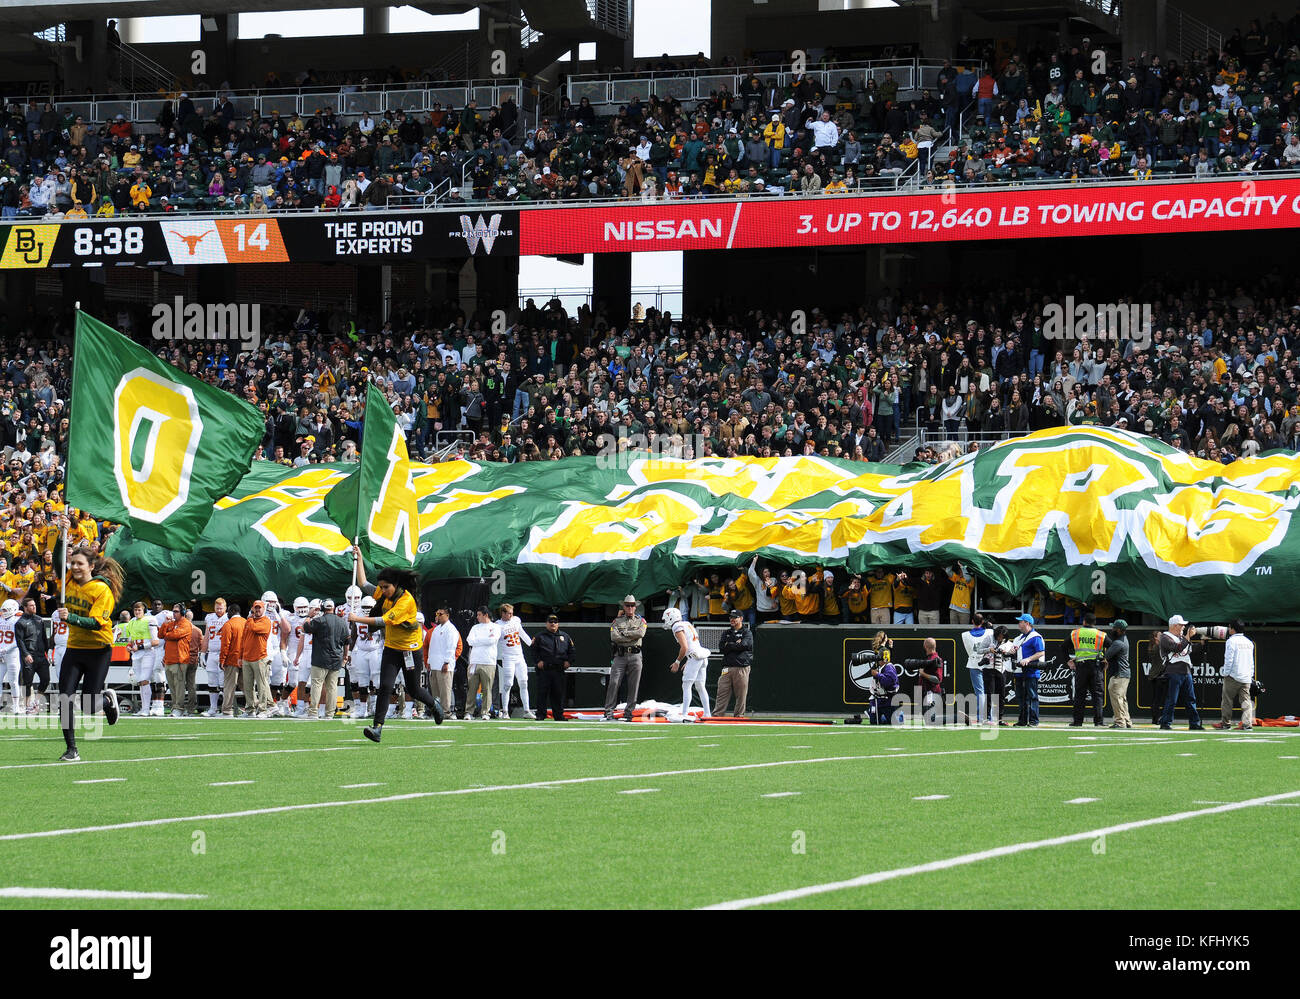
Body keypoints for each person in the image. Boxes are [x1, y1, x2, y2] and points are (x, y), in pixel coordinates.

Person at [349, 546, 444, 741]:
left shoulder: (406, 601)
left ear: (396, 585)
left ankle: (434, 705)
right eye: (381, 587)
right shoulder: (386, 594)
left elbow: (384, 621)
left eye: (386, 587)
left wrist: (356, 618)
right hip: (392, 648)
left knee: (414, 689)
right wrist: (358, 558)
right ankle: (377, 728)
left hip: (410, 651)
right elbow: (363, 583)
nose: (382, 591)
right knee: (385, 686)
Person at [56, 546, 124, 761]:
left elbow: (95, 623)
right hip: (75, 648)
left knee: (88, 706)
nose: (74, 567)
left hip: (98, 651)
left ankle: (108, 700)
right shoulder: (68, 582)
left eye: (80, 564)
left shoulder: (102, 590)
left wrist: (71, 618)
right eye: (73, 563)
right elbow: (58, 563)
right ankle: (71, 749)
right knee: (65, 699)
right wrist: (61, 534)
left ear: (91, 567)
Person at [303, 596, 349, 719]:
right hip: (336, 658)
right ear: (333, 608)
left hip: (320, 658)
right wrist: (345, 656)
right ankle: (329, 713)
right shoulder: (342, 622)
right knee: (332, 687)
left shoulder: (319, 621)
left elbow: (305, 628)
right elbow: (347, 641)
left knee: (316, 684)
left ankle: (313, 711)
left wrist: (309, 616)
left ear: (323, 608)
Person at [1158, 614, 1204, 730]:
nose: (1184, 627)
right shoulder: (1165, 637)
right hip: (1173, 671)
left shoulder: (1181, 637)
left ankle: (1194, 723)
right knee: (1172, 699)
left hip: (1186, 671)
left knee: (1191, 699)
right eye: (1182, 625)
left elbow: (1190, 649)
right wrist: (1188, 637)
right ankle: (1165, 723)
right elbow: (1177, 648)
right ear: (1174, 626)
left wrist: (1203, 643)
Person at [664, 606, 710, 722]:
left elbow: (684, 647)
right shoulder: (686, 623)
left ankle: (684, 713)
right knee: (700, 686)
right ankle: (708, 713)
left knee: (686, 685)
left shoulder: (677, 626)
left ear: (671, 617)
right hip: (700, 656)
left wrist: (677, 662)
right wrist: (689, 660)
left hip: (695, 657)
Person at [606, 594, 646, 721]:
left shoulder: (641, 621)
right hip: (620, 655)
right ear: (624, 606)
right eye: (627, 605)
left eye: (632, 605)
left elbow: (641, 633)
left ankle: (629, 712)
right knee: (614, 682)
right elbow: (614, 636)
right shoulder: (617, 621)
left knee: (634, 684)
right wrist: (631, 636)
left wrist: (625, 633)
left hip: (635, 654)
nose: (630, 607)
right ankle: (608, 711)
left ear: (635, 607)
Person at [495, 603, 533, 720]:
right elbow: (494, 641)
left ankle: (527, 710)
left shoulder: (516, 620)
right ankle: (505, 711)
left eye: (512, 613)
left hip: (519, 656)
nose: (511, 615)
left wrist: (531, 643)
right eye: (508, 613)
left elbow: (521, 633)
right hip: (508, 657)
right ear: (503, 613)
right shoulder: (497, 625)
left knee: (524, 682)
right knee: (508, 684)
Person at [533, 613, 574, 721]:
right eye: (550, 622)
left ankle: (559, 715)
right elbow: (533, 650)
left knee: (558, 694)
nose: (553, 624)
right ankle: (541, 715)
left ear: (558, 624)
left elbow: (571, 651)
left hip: (559, 670)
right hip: (545, 670)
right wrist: (538, 661)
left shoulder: (565, 636)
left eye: (555, 622)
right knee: (542, 693)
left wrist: (569, 661)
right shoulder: (540, 636)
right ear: (546, 623)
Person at [1215, 619, 1255, 731]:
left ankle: (1226, 723)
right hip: (1246, 676)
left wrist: (1226, 673)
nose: (1228, 629)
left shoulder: (1231, 641)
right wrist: (1250, 674)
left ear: (1232, 629)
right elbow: (1251, 661)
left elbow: (1229, 659)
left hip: (1233, 676)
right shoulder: (1249, 642)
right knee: (1246, 701)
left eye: (1229, 627)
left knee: (1227, 700)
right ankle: (1247, 724)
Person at [1069, 611, 1107, 727]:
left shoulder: (1076, 633)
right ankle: (1099, 722)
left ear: (1083, 621)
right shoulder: (1101, 635)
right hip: (1096, 667)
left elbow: (1064, 647)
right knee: (1097, 696)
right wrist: (1105, 659)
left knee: (1080, 695)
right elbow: (1111, 646)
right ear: (1094, 623)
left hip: (1081, 667)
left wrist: (1068, 660)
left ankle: (1077, 722)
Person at [347, 595, 382, 718]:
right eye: (365, 607)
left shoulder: (379, 615)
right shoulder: (357, 615)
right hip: (361, 650)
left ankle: (378, 708)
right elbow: (354, 635)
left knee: (377, 681)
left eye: (369, 607)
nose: (367, 609)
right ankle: (362, 709)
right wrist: (350, 652)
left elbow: (385, 634)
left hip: (375, 650)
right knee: (362, 681)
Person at [122, 600, 159, 716]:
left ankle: (146, 709)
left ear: (144, 611)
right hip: (136, 654)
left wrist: (141, 646)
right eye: (135, 610)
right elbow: (131, 639)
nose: (137, 612)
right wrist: (129, 646)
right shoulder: (132, 621)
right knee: (139, 681)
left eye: (139, 610)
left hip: (148, 653)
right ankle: (144, 708)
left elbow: (155, 641)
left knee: (144, 680)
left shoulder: (150, 620)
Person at [714, 608, 753, 717]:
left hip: (741, 667)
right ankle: (717, 715)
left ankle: (739, 716)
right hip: (727, 667)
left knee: (741, 695)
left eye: (735, 617)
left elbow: (744, 645)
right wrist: (735, 644)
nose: (732, 619)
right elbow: (722, 648)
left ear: (741, 618)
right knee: (721, 692)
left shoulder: (747, 632)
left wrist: (730, 645)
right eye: (731, 617)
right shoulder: (726, 632)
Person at [240, 598, 275, 718]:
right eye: (256, 608)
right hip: (247, 657)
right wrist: (241, 655)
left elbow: (255, 628)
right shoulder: (249, 621)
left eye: (259, 608)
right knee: (248, 686)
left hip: (260, 657)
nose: (257, 610)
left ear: (263, 609)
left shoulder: (265, 621)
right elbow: (243, 639)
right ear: (253, 608)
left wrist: (249, 619)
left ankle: (263, 709)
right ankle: (250, 709)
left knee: (262, 685)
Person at [464, 606, 500, 720]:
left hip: (488, 662)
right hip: (474, 661)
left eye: (479, 615)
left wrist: (477, 641)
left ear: (485, 615)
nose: (477, 617)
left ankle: (485, 712)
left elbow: (492, 640)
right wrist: (482, 640)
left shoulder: (495, 627)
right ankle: (469, 712)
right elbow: (470, 640)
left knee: (487, 689)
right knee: (472, 689)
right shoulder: (475, 627)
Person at [15, 595, 50, 713]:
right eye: (31, 605)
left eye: (35, 605)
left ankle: (36, 702)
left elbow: (44, 638)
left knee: (46, 680)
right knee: (27, 682)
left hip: (41, 656)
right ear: (25, 607)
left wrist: (47, 652)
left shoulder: (39, 620)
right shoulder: (20, 623)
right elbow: (19, 641)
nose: (34, 607)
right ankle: (27, 705)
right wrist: (26, 654)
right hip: (28, 656)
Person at [158, 602, 193, 717]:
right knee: (172, 686)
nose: (174, 613)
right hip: (169, 659)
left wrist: (167, 633)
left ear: (183, 612)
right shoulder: (171, 623)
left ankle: (179, 707)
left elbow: (174, 635)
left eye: (176, 611)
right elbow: (160, 635)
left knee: (179, 685)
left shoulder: (186, 624)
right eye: (173, 611)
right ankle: (175, 706)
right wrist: (164, 624)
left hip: (180, 659)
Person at [426, 605, 460, 721]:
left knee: (445, 690)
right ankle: (437, 711)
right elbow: (431, 647)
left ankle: (446, 711)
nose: (438, 616)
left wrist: (447, 662)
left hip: (444, 665)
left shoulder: (451, 629)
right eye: (436, 614)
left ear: (447, 615)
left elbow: (451, 647)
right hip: (434, 664)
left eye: (440, 614)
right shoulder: (436, 629)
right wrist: (429, 662)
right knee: (435, 691)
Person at [961, 612, 994, 723]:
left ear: (972, 622)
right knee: (988, 692)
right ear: (983, 622)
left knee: (980, 692)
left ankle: (982, 717)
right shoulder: (990, 632)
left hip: (974, 663)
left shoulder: (965, 635)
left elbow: (968, 651)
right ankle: (989, 717)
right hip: (987, 664)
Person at [1013, 613, 1044, 727]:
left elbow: (1041, 652)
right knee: (1021, 697)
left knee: (1032, 696)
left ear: (1027, 623)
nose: (1019, 623)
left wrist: (1028, 659)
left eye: (1020, 621)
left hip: (1031, 671)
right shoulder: (1020, 638)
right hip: (1019, 672)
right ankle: (1022, 720)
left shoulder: (1035, 636)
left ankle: (1033, 721)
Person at [201, 596, 228, 716]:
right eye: (217, 608)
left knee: (223, 683)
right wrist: (202, 653)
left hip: (223, 653)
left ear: (225, 608)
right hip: (212, 653)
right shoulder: (209, 617)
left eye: (221, 608)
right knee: (212, 682)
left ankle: (225, 708)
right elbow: (206, 636)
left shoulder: (228, 617)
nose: (219, 611)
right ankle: (213, 708)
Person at [984, 624, 1016, 725]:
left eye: (1002, 637)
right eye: (998, 636)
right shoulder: (989, 638)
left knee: (1001, 695)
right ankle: (987, 718)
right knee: (989, 694)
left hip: (1001, 670)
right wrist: (989, 650)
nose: (1000, 638)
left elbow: (1010, 657)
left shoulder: (1009, 643)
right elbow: (978, 650)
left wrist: (1007, 653)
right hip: (989, 669)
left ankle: (999, 719)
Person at [1104, 619, 1132, 729]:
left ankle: (1120, 722)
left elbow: (1106, 655)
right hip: (1124, 673)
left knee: (1117, 698)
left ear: (1120, 630)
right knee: (1122, 698)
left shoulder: (1118, 643)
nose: (1112, 630)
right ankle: (1126, 720)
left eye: (1114, 628)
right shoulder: (1124, 639)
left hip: (1119, 674)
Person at [218, 604, 245, 717]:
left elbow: (225, 644)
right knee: (247, 686)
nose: (227, 614)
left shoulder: (229, 624)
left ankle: (227, 710)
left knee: (229, 685)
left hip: (232, 659)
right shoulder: (246, 622)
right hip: (245, 658)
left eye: (228, 611)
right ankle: (253, 707)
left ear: (233, 611)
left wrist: (222, 659)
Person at [916, 636, 945, 725]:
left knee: (931, 721)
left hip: (933, 693)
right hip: (928, 693)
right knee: (929, 721)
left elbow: (938, 679)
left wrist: (923, 674)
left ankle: (959, 718)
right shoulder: (929, 659)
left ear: (925, 646)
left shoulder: (936, 660)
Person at [0, 600, 22, 712]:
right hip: (0, 654)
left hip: (12, 653)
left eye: (5, 610)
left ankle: (16, 706)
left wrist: (5, 649)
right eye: (2, 610)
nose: (3, 612)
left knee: (13, 681)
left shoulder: (18, 619)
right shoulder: (0, 619)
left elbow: (19, 639)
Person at [1145, 629, 1167, 726]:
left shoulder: (1155, 646)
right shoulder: (1157, 647)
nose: (1162, 636)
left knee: (1156, 699)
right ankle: (1156, 719)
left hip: (1155, 675)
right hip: (1157, 676)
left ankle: (1155, 718)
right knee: (1157, 699)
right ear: (1156, 638)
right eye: (1160, 635)